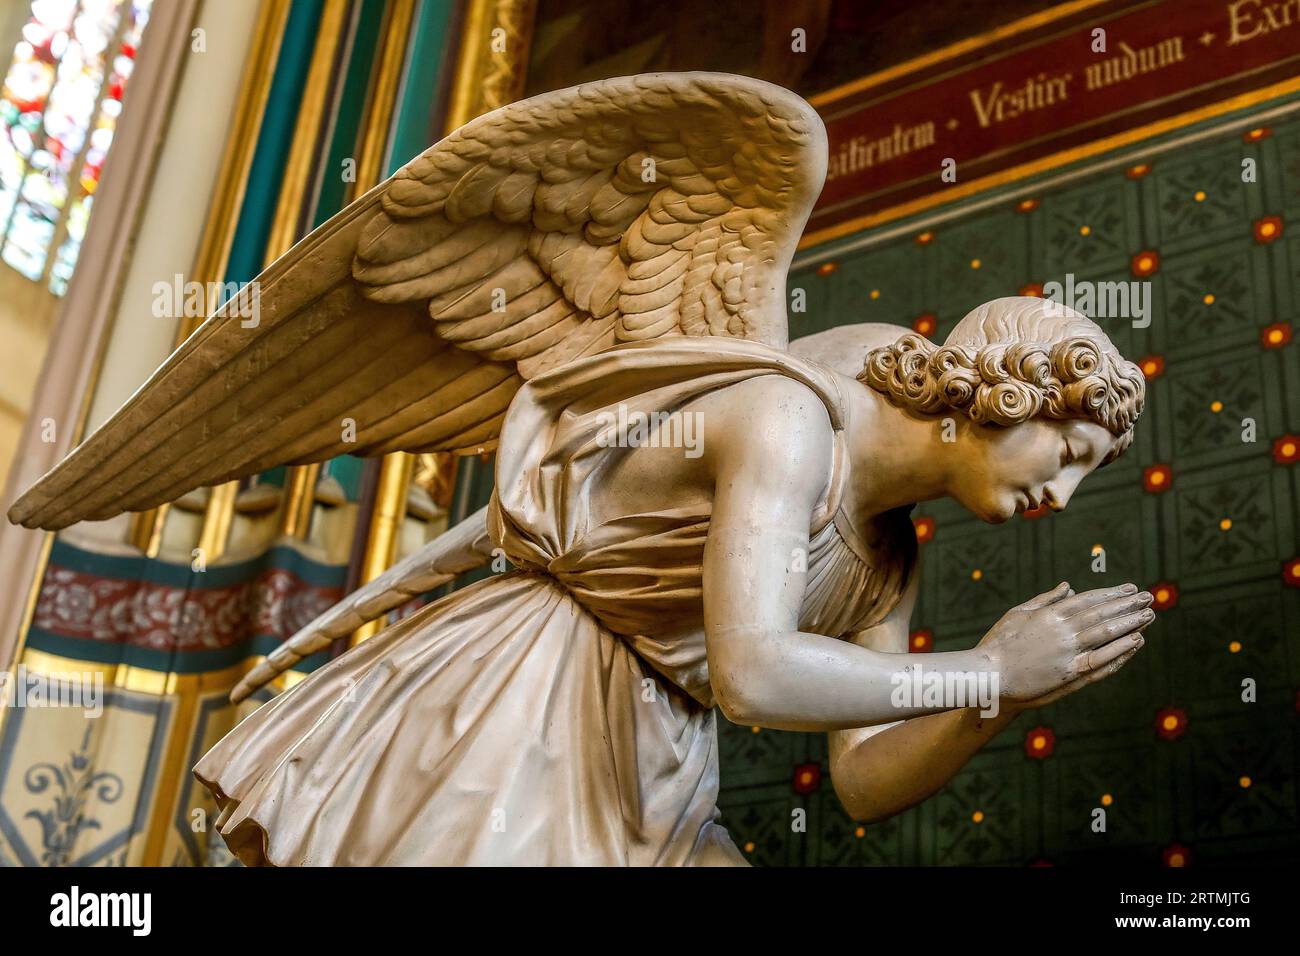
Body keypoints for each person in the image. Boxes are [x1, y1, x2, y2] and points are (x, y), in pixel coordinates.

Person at [196, 296, 1149, 866]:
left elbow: (860, 779)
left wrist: (994, 699)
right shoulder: (791, 420)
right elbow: (754, 675)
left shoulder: (889, 559)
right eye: (1066, 452)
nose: (1062, 495)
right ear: (1003, 393)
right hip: (525, 700)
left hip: (659, 762)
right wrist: (983, 672)